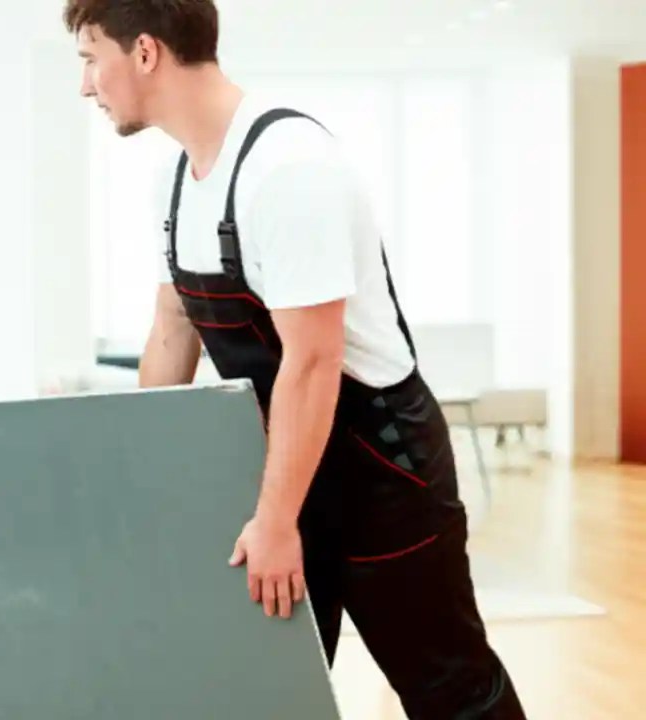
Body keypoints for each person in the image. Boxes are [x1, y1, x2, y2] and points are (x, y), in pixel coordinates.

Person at [63, 1, 527, 718]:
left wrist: (278, 523)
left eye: (92, 57)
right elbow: (171, 329)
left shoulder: (289, 168)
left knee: (450, 689)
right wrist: (141, 475)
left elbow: (313, 363)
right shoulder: (178, 182)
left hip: (381, 470)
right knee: (269, 697)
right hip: (280, 464)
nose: (86, 84)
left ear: (146, 52)